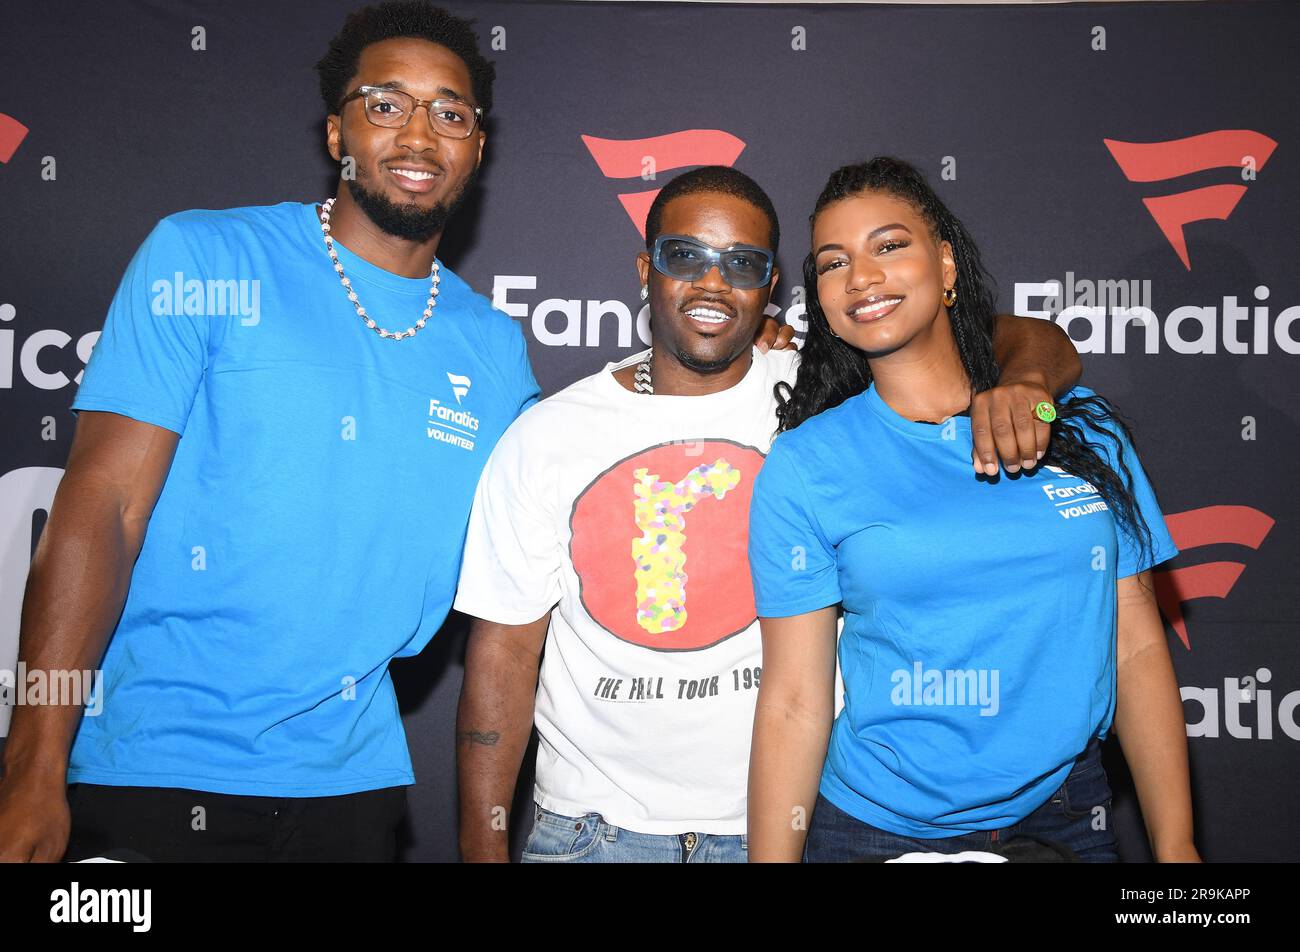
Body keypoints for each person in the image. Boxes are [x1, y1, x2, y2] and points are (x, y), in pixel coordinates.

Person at [0, 1, 537, 863]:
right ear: (337, 133)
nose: (418, 133)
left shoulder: (495, 348)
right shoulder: (205, 261)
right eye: (385, 103)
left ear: (477, 144)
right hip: (153, 773)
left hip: (355, 794)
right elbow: (100, 508)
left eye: (450, 112)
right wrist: (32, 763)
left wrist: (755, 353)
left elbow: (551, 532)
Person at [453, 165, 1083, 863]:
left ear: (772, 288)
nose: (712, 282)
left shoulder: (821, 390)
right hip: (589, 835)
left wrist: (1026, 385)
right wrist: (483, 845)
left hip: (797, 823)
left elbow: (1018, 337)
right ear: (645, 268)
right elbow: (505, 652)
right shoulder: (548, 436)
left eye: (742, 263)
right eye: (684, 256)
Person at [746, 156, 1199, 863]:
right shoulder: (806, 465)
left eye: (889, 245)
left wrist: (1178, 851)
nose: (861, 276)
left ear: (947, 263)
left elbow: (1136, 646)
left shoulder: (1080, 428)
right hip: (873, 830)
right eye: (834, 263)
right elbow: (795, 702)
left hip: (1068, 820)